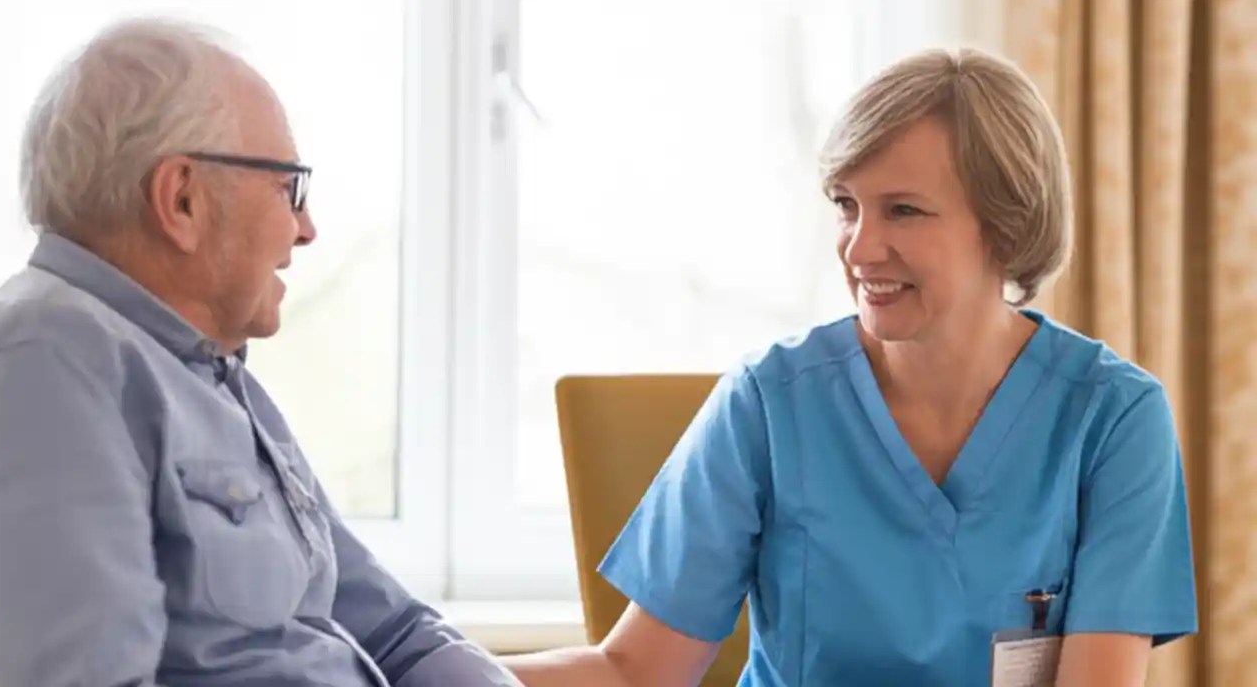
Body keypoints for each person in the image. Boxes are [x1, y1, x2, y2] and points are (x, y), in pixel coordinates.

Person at [503, 47, 1198, 686]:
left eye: (903, 211)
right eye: (845, 206)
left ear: (1005, 224)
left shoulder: (1112, 420)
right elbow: (633, 672)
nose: (860, 249)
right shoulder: (768, 403)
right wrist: (417, 666)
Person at [0, 18, 521, 687]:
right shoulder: (45, 357)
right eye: (287, 187)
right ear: (181, 198)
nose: (307, 227)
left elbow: (393, 632)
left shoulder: (214, 377)